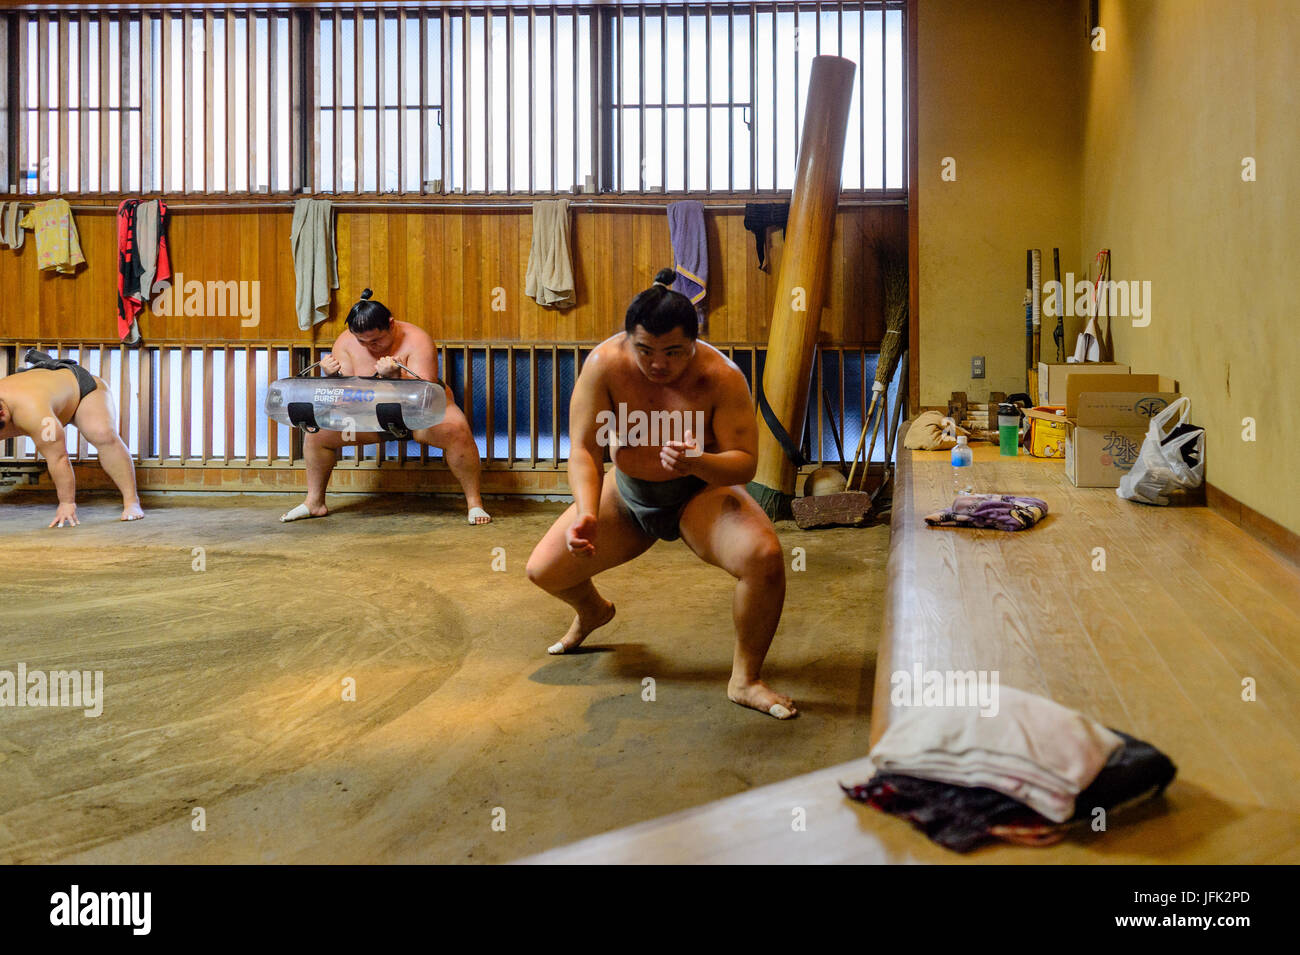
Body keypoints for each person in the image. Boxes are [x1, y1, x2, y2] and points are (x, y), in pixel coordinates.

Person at [525, 269, 796, 719]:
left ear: (695, 341)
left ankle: (745, 679)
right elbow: (584, 450)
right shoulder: (604, 365)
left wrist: (697, 462)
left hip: (699, 493)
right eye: (645, 350)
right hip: (628, 493)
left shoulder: (721, 377)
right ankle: (593, 611)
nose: (657, 365)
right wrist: (587, 512)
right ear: (629, 339)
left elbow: (745, 461)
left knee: (763, 559)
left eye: (673, 352)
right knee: (544, 571)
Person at [279, 290, 490, 525]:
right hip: (368, 414)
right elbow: (341, 394)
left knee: (457, 430)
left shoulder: (416, 339)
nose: (371, 347)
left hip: (421, 413)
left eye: (376, 340)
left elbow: (428, 391)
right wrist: (331, 376)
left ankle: (475, 503)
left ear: (391, 324)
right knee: (317, 435)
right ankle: (314, 502)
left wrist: (397, 377)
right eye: (363, 342)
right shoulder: (346, 341)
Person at [0, 349, 144, 527]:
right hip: (48, 390)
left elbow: (59, 458)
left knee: (102, 434)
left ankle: (131, 501)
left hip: (81, 390)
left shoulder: (35, 415)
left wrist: (66, 502)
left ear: (3, 413)